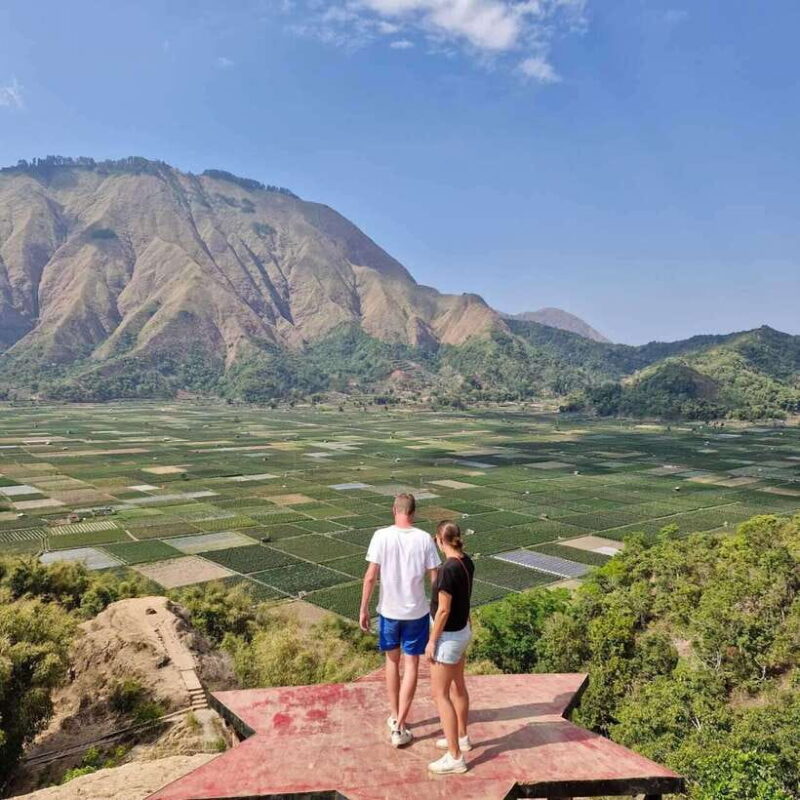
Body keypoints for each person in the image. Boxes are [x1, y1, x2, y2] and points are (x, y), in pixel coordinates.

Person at [360, 493, 440, 747]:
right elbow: (435, 579)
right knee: (412, 665)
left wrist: (364, 608)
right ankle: (401, 725)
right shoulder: (424, 539)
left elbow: (371, 576)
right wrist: (438, 611)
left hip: (388, 613)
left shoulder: (381, 536)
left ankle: (396, 717)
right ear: (413, 513)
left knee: (391, 664)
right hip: (416, 613)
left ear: (394, 509)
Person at [425, 520, 474, 775]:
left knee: (440, 694)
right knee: (458, 687)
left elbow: (443, 610)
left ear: (439, 540)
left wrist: (432, 641)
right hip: (463, 631)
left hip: (448, 637)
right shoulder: (466, 561)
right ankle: (461, 737)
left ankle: (455, 757)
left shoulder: (446, 570)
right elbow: (465, 598)